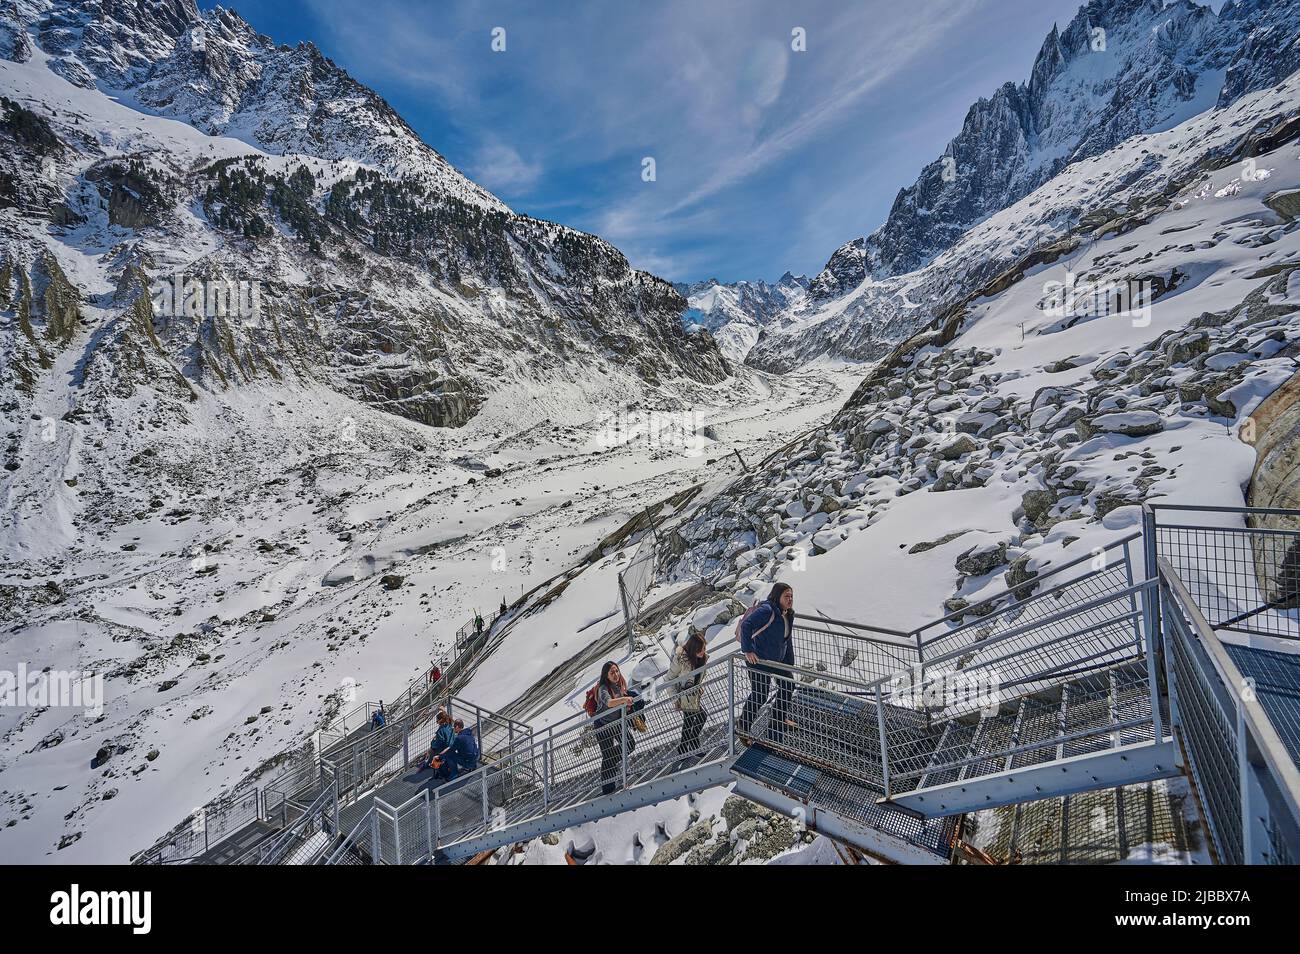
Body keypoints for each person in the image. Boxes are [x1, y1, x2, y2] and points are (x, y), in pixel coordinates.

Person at [737, 582, 796, 746]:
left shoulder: (788, 613)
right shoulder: (767, 610)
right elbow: (747, 625)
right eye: (786, 596)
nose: (790, 599)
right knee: (760, 694)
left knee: (787, 686)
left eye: (791, 596)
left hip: (778, 660)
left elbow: (786, 638)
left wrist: (789, 662)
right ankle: (743, 726)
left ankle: (778, 719)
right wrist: (748, 650)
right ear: (777, 596)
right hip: (759, 660)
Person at [593, 661, 638, 795]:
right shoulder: (603, 688)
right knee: (608, 755)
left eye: (617, 671)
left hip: (616, 723)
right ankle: (607, 788)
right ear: (606, 675)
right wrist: (625, 700)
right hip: (603, 726)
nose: (615, 674)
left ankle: (611, 761)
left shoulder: (619, 686)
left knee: (630, 745)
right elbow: (609, 702)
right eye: (612, 672)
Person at [666, 634, 709, 755]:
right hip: (684, 693)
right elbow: (669, 679)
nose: (703, 652)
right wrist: (675, 699)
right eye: (700, 650)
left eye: (704, 649)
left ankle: (684, 749)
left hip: (694, 693)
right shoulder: (681, 659)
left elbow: (701, 675)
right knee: (699, 717)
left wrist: (700, 686)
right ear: (693, 649)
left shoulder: (702, 658)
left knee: (689, 721)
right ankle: (693, 744)